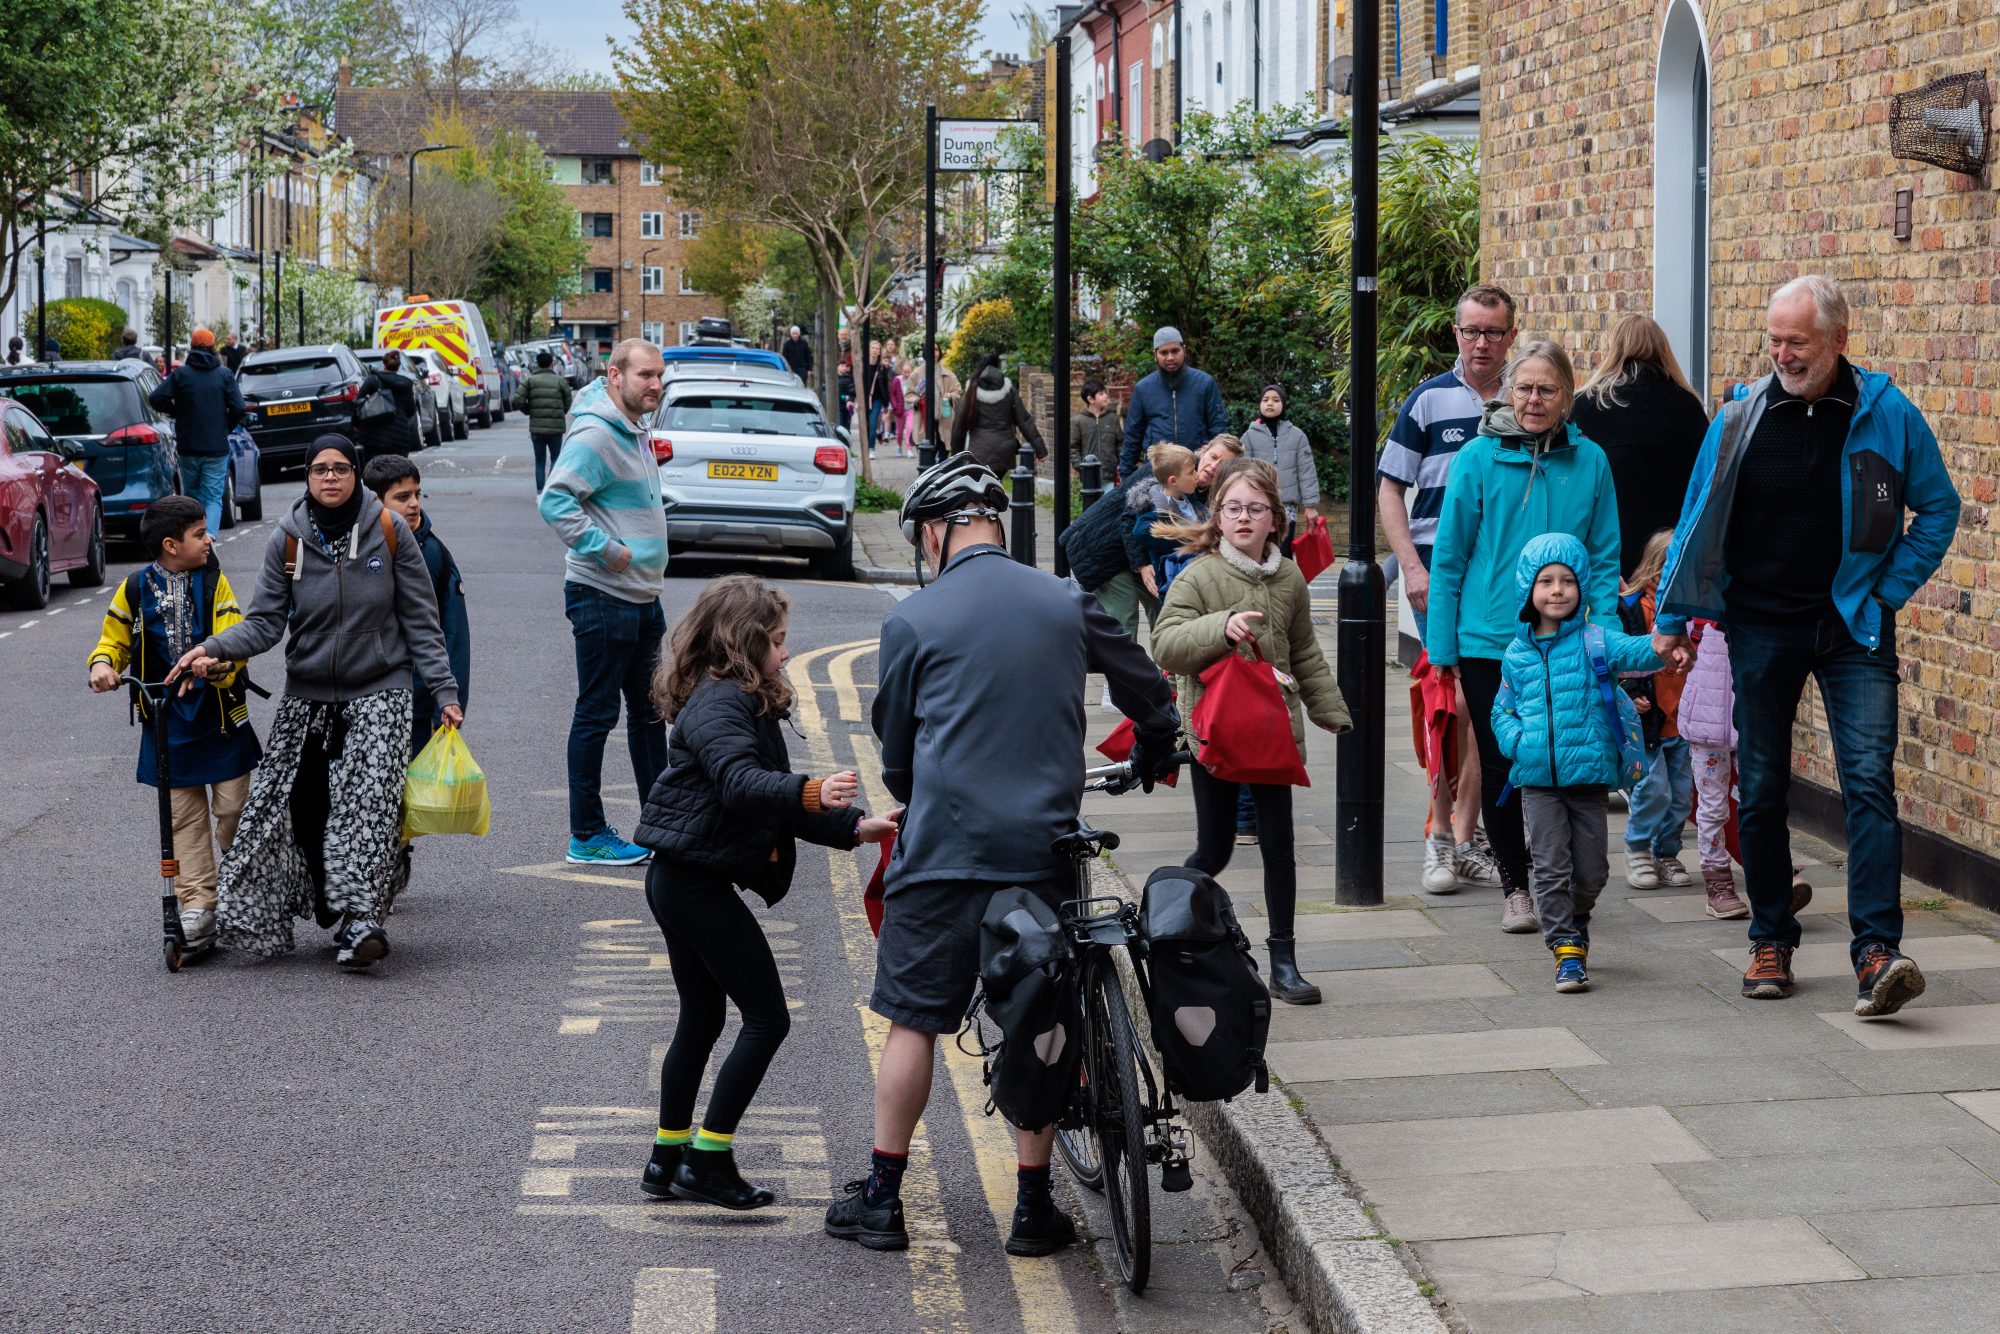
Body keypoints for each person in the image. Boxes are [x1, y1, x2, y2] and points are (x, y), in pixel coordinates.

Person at [825, 454, 1179, 1257]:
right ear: (993, 522)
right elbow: (1143, 686)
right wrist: (1159, 744)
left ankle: (882, 1200)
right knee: (1039, 1018)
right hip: (1040, 853)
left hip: (945, 851)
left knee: (913, 1022)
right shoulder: (1063, 599)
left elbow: (897, 754)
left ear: (939, 531)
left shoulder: (915, 617)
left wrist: (922, 787)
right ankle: (1032, 1209)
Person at [1653, 274, 1960, 1015]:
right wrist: (1672, 613)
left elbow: (1940, 508)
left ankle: (1876, 953)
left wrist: (1887, 593)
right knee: (1758, 789)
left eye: (1798, 341)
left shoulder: (1887, 414)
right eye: (1775, 339)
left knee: (1868, 786)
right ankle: (1770, 938)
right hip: (1759, 626)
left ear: (1839, 341)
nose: (1782, 354)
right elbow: (1696, 516)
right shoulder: (1740, 415)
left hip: (1853, 629)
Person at [632, 576, 897, 1211]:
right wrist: (812, 790)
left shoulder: (729, 698)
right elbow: (742, 784)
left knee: (702, 1019)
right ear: (744, 642)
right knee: (767, 1019)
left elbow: (768, 798)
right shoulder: (721, 704)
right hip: (691, 885)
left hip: (680, 877)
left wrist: (857, 828)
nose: (785, 653)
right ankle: (709, 1157)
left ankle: (666, 1158)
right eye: (776, 642)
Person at [166, 435, 461, 969]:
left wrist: (444, 691)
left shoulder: (390, 531)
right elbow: (263, 623)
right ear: (307, 476)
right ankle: (233, 912)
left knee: (367, 805)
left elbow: (422, 620)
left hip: (382, 688)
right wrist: (209, 649)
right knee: (282, 810)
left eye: (342, 468)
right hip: (308, 696)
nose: (331, 477)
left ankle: (361, 921)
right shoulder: (288, 537)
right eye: (320, 469)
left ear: (356, 474)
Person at [1427, 339, 1621, 934]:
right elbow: (1451, 557)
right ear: (1511, 392)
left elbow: (1606, 556)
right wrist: (1442, 649)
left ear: (1568, 396)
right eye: (1525, 389)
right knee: (1505, 757)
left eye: (1548, 390)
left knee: (1566, 756)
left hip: (1572, 639)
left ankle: (1560, 874)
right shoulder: (1479, 458)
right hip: (1491, 640)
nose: (1534, 400)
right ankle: (1519, 885)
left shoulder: (1591, 461)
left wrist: (1606, 637)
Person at [1151, 457, 1353, 1004]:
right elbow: (1165, 644)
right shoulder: (1200, 574)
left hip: (1271, 729)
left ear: (1275, 520)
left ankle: (1283, 961)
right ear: (1218, 516)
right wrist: (1222, 627)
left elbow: (1304, 649)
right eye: (1234, 507)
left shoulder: (1288, 577)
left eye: (1255, 509)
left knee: (1279, 846)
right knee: (1213, 850)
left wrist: (1327, 707)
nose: (1244, 517)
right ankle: (1166, 924)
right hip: (1214, 729)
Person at [1378, 283, 1519, 898]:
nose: (1480, 342)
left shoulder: (1527, 396)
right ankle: (1440, 836)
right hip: (1437, 574)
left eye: (1492, 331)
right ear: (1456, 334)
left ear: (1512, 333)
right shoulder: (1429, 401)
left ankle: (1465, 837)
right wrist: (1410, 567)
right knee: (1446, 706)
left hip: (1505, 581)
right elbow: (1390, 489)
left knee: (1490, 711)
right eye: (1470, 331)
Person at [86, 495, 261, 957]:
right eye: (200, 534)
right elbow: (113, 639)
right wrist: (102, 665)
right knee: (183, 819)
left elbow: (234, 630)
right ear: (170, 544)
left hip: (220, 715)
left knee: (232, 813)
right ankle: (198, 906)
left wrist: (219, 662)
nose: (210, 540)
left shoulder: (214, 581)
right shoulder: (134, 588)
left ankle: (244, 885)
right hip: (167, 722)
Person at [1493, 532, 1664, 992]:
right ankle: (1565, 949)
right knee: (1550, 868)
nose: (1557, 590)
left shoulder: (1596, 641)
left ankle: (1578, 915)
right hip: (1538, 783)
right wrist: (1517, 742)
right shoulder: (1516, 654)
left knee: (1592, 872)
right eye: (1545, 581)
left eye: (1567, 580)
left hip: (1588, 780)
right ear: (1528, 590)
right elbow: (1501, 709)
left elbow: (1642, 652)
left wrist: (1668, 637)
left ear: (1581, 587)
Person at [538, 338, 671, 867]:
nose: (655, 385)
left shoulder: (633, 426)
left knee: (650, 713)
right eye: (645, 375)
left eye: (659, 375)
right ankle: (587, 834)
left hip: (641, 595)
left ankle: (661, 825)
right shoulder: (596, 433)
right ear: (614, 376)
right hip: (604, 594)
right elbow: (555, 501)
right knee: (597, 714)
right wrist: (609, 551)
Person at [1057, 436, 1241, 709]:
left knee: (1165, 610)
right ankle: (1117, 687)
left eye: (1222, 464)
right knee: (1123, 617)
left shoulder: (1202, 491)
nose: (1213, 466)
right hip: (1101, 550)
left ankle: (1167, 680)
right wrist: (1141, 566)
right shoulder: (1170, 467)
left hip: (1136, 557)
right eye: (1213, 456)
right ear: (1204, 449)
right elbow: (1128, 520)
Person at [1568, 313, 1709, 580]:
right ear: (1662, 348)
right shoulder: (1687, 404)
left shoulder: (1587, 403)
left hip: (1607, 553)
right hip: (1669, 554)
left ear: (1613, 348)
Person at [363, 455, 469, 755]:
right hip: (366, 699)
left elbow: (454, 633)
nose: (414, 504)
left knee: (413, 793)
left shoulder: (434, 554)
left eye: (417, 495)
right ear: (374, 502)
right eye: (402, 497)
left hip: (419, 705)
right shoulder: (358, 547)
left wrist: (445, 705)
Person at [1617, 529, 1694, 890]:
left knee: (1681, 796)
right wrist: (1631, 690)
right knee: (1654, 789)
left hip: (1683, 719)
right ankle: (1637, 849)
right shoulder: (1631, 607)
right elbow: (1618, 655)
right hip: (1646, 721)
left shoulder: (1694, 609)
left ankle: (1666, 852)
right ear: (1657, 569)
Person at [1677, 619, 1752, 920]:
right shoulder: (1697, 617)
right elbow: (1657, 646)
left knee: (1761, 803)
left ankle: (1775, 877)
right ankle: (1718, 886)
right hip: (1704, 730)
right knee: (1712, 809)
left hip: (1753, 725)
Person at [148, 327, 246, 537]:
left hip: (189, 446)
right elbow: (239, 407)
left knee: (191, 498)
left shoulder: (182, 374)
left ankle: (193, 541)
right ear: (212, 348)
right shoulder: (224, 375)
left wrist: (177, 412)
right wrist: (225, 426)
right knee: (212, 497)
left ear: (191, 348)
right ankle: (208, 538)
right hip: (216, 447)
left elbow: (156, 398)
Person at [1119, 327, 1227, 482]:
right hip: (1156, 474)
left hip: (1197, 473)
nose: (1170, 357)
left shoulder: (1204, 383)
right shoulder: (1144, 389)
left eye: (1175, 351)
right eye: (1164, 352)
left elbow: (1219, 429)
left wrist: (1218, 467)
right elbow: (1132, 436)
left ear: (1184, 350)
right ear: (1155, 354)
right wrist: (1126, 478)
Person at [1241, 384, 1320, 541]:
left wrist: (1310, 506)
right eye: (1265, 399)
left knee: (1283, 551)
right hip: (1258, 503)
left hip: (1287, 506)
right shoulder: (1249, 436)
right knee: (1261, 550)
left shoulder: (1297, 435)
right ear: (1260, 404)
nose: (1270, 403)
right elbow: (1242, 472)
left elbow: (1307, 472)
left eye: (1276, 400)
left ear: (1283, 404)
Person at [1129, 442, 1204, 596]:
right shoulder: (1156, 506)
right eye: (1191, 472)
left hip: (1196, 575)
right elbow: (1140, 532)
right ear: (1173, 481)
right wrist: (1189, 536)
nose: (1197, 475)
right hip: (1172, 580)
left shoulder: (1190, 499)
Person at [949, 356, 1046, 475]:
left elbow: (959, 426)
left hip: (979, 451)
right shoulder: (1009, 390)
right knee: (996, 487)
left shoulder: (972, 391)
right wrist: (1040, 450)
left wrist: (955, 458)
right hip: (1005, 451)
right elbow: (1024, 421)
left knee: (982, 489)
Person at [521, 350, 574, 492]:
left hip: (536, 429)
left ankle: (540, 491)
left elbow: (517, 399)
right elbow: (569, 400)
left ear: (537, 364)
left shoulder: (530, 380)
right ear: (551, 364)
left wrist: (528, 410)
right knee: (556, 458)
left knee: (539, 460)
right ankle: (550, 489)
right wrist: (562, 412)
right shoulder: (560, 381)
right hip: (556, 428)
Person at [357, 348, 420, 459]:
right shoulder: (405, 384)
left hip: (374, 437)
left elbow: (358, 403)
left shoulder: (373, 380)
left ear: (384, 364)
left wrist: (356, 426)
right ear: (398, 366)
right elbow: (411, 411)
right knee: (398, 472)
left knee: (375, 471)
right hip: (400, 439)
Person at [1070, 378, 1124, 469]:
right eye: (1101, 394)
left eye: (1105, 393)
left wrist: (1121, 465)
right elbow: (1073, 448)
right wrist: (1081, 467)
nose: (1106, 396)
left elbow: (1120, 444)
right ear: (1091, 399)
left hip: (1110, 475)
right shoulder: (1078, 421)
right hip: (1088, 475)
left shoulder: (1112, 419)